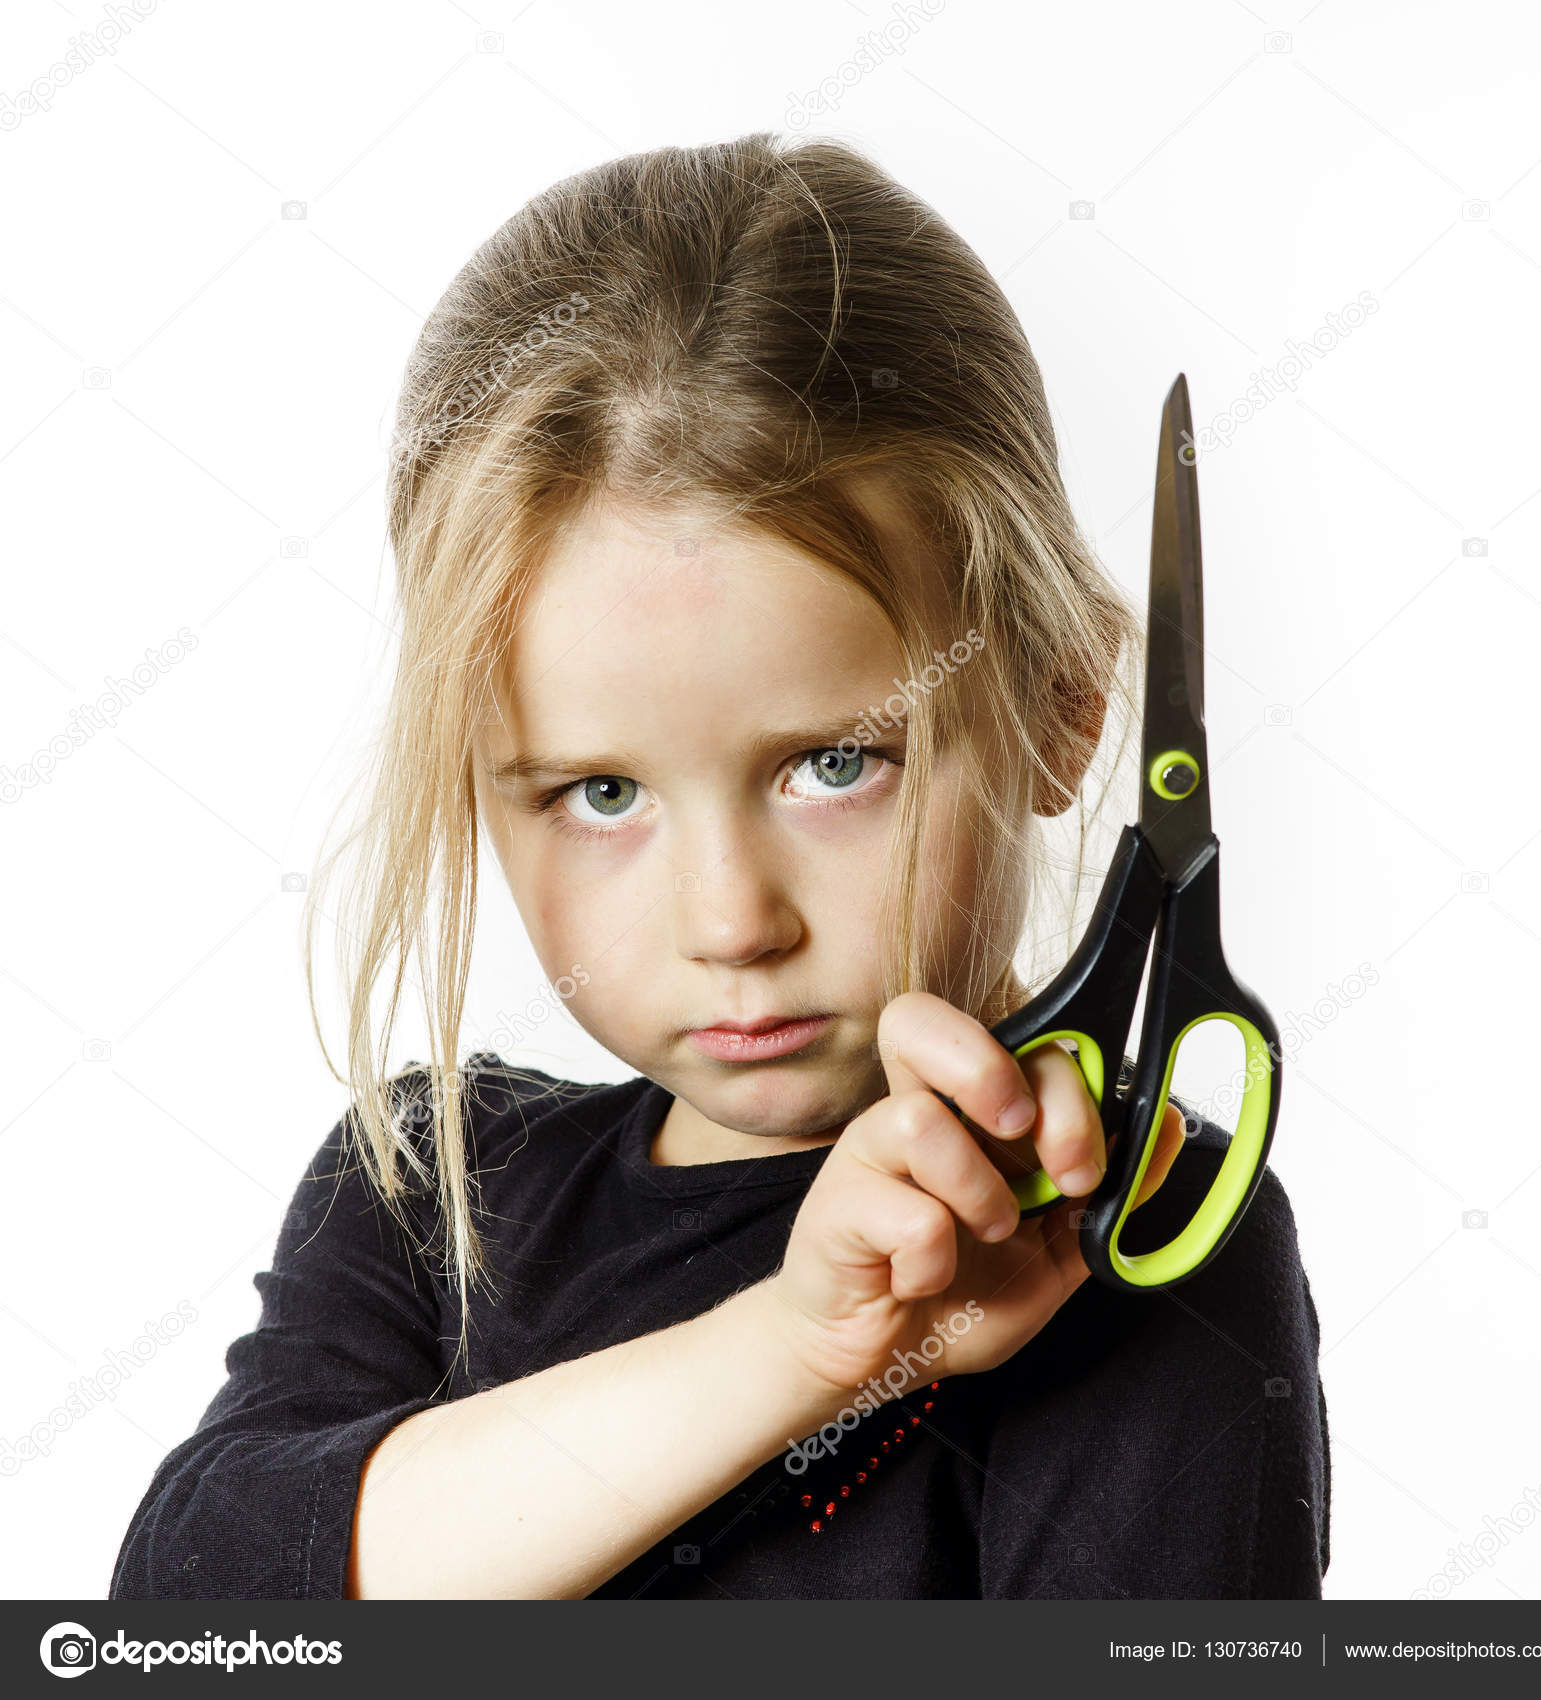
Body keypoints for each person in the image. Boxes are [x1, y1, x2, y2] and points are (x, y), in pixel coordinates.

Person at [108, 131, 1330, 1601]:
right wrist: (797, 1350)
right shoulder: (434, 1187)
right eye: (602, 791)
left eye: (835, 765)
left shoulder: (1128, 1250)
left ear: (1064, 710)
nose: (730, 921)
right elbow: (189, 1622)